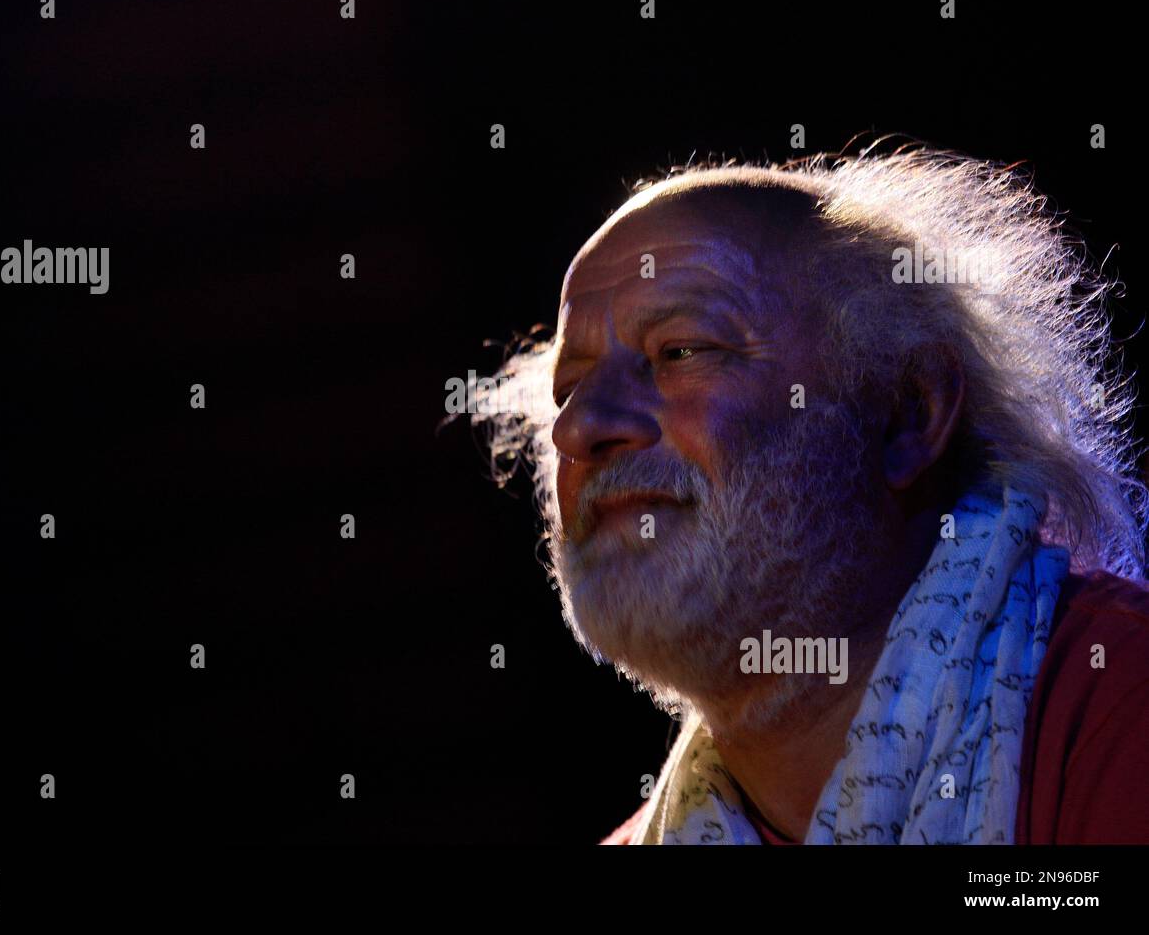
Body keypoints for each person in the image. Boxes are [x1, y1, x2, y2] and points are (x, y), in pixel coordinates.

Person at [470, 149, 1149, 844]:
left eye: (681, 352)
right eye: (568, 389)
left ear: (908, 411)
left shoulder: (1122, 705)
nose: (579, 427)